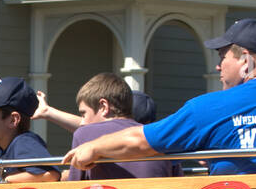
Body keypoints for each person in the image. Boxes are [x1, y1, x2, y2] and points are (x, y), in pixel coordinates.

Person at [63, 20, 256, 189]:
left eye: (222, 56)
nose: (218, 66)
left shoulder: (211, 107)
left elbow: (140, 142)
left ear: (246, 61)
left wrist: (93, 148)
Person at [35, 73, 180, 182]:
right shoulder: (156, 138)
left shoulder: (84, 134)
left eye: (83, 114)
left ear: (104, 107)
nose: (83, 122)